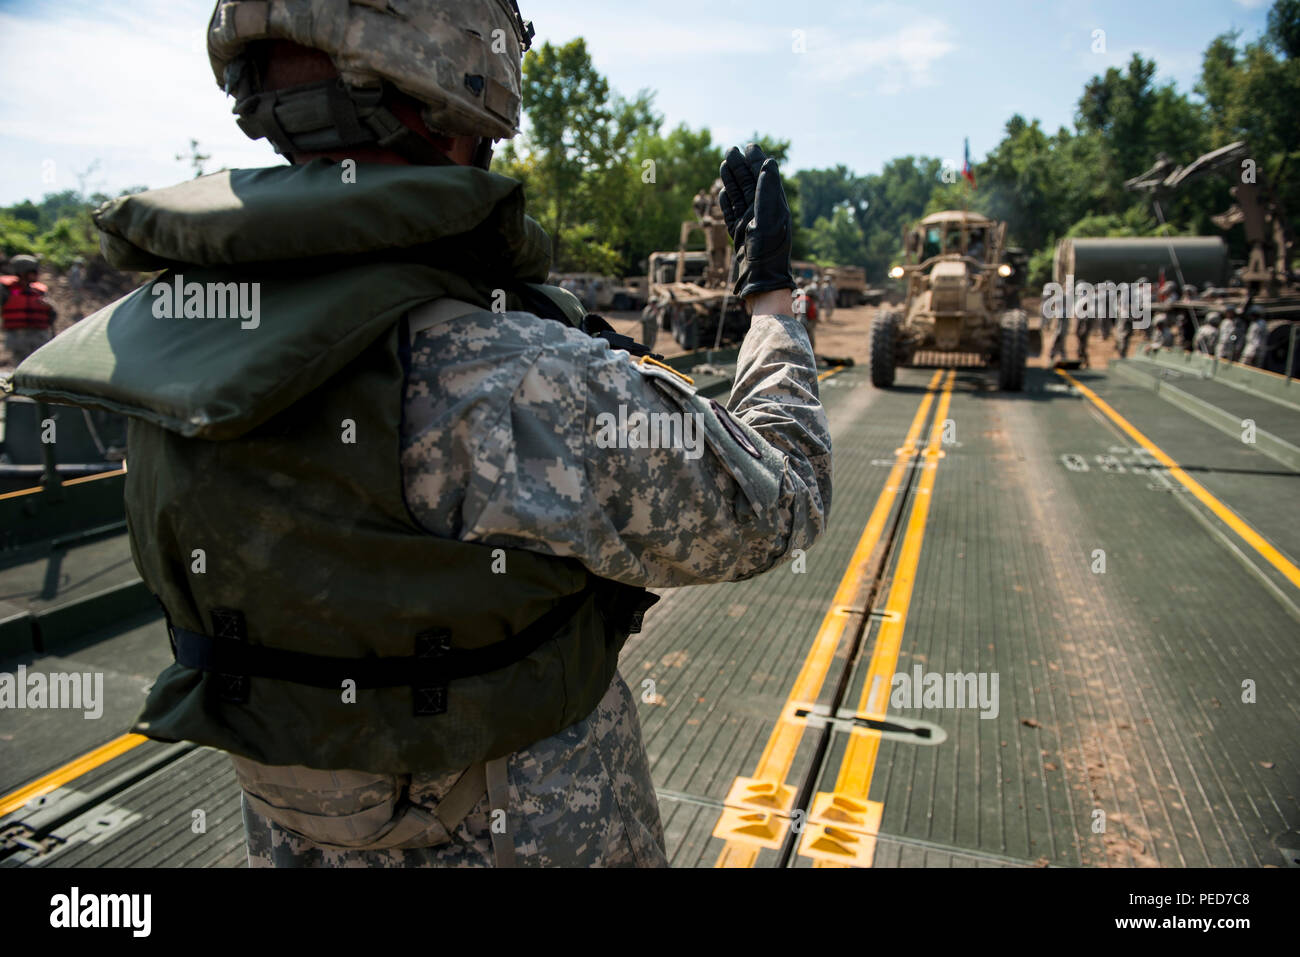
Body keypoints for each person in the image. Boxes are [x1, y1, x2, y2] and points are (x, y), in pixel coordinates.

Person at [12, 1, 830, 868]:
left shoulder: (169, 342)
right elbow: (779, 502)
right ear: (461, 91)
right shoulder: (513, 373)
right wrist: (771, 306)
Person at [1, 254, 57, 369]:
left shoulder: (39, 291)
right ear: (22, 272)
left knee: (40, 367)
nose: (37, 275)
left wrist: (49, 306)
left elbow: (53, 315)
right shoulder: (6, 290)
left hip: (40, 336)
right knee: (22, 367)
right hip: (18, 337)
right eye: (33, 272)